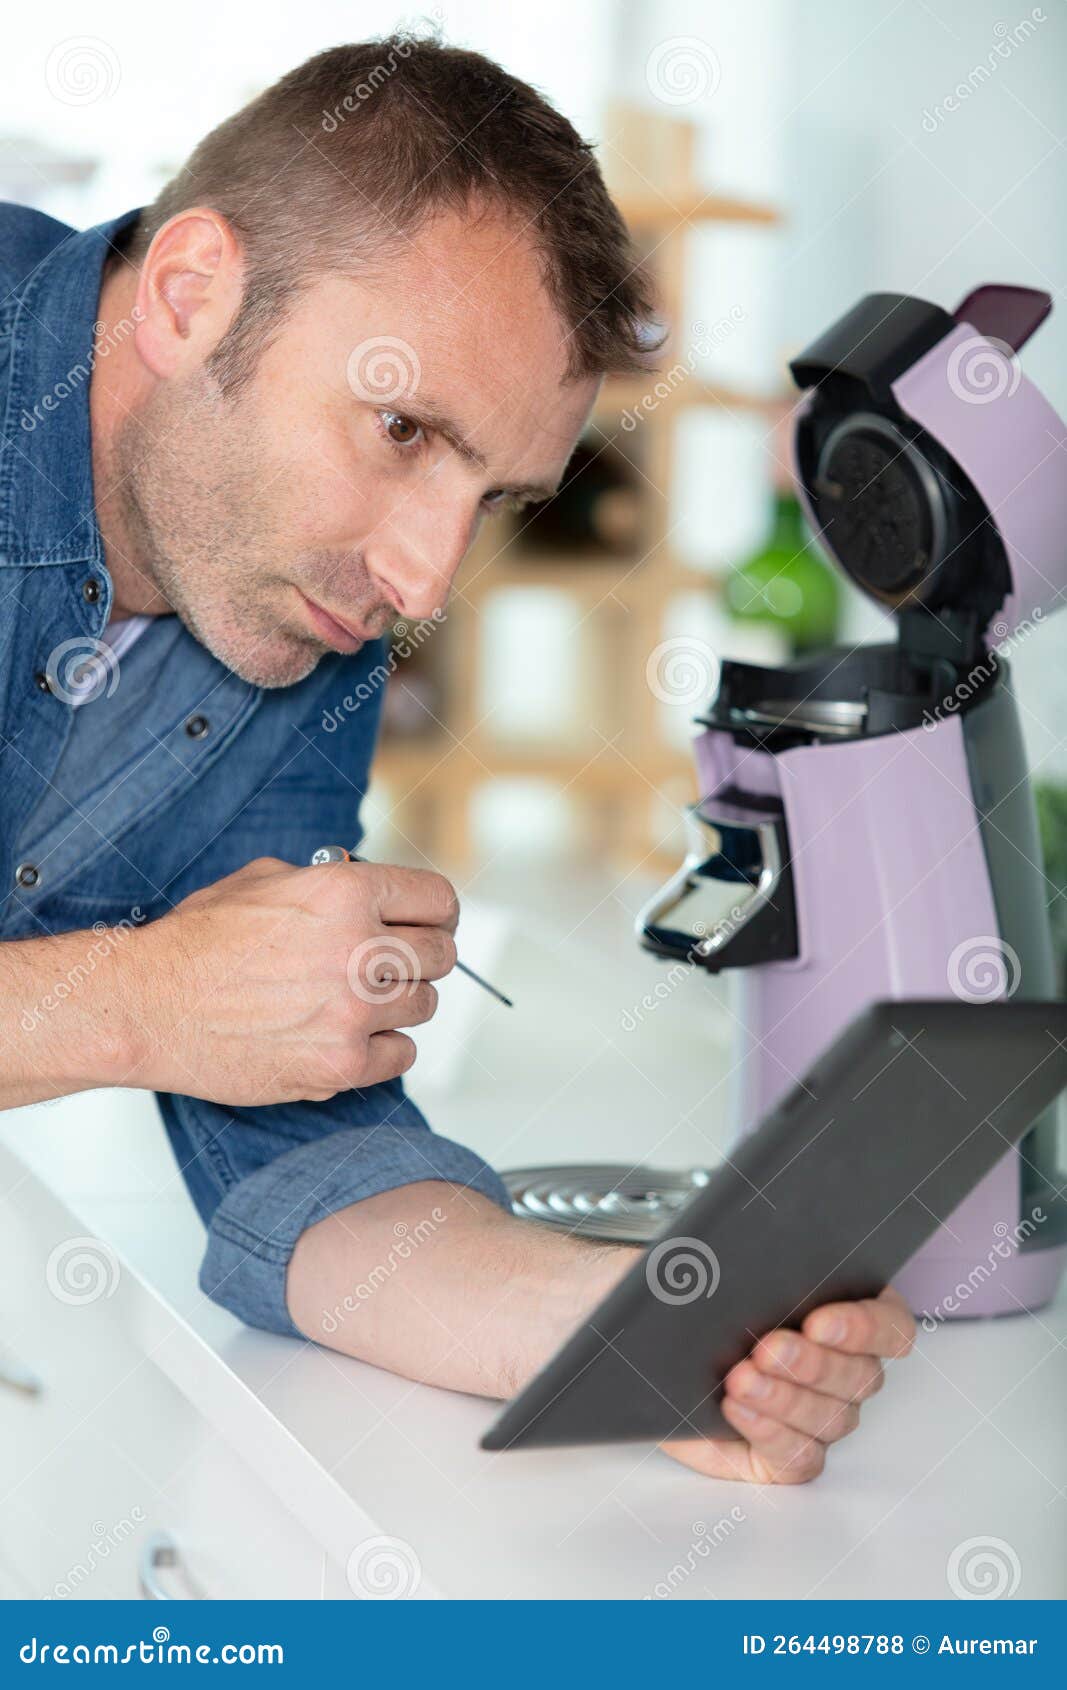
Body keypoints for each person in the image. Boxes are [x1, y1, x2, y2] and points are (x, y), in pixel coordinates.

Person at [0, 35, 913, 1485]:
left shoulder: (302, 603)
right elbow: (168, 1011)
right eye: (402, 426)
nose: (423, 584)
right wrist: (136, 1001)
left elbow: (301, 1136)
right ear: (190, 297)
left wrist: (629, 1334)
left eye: (493, 495)